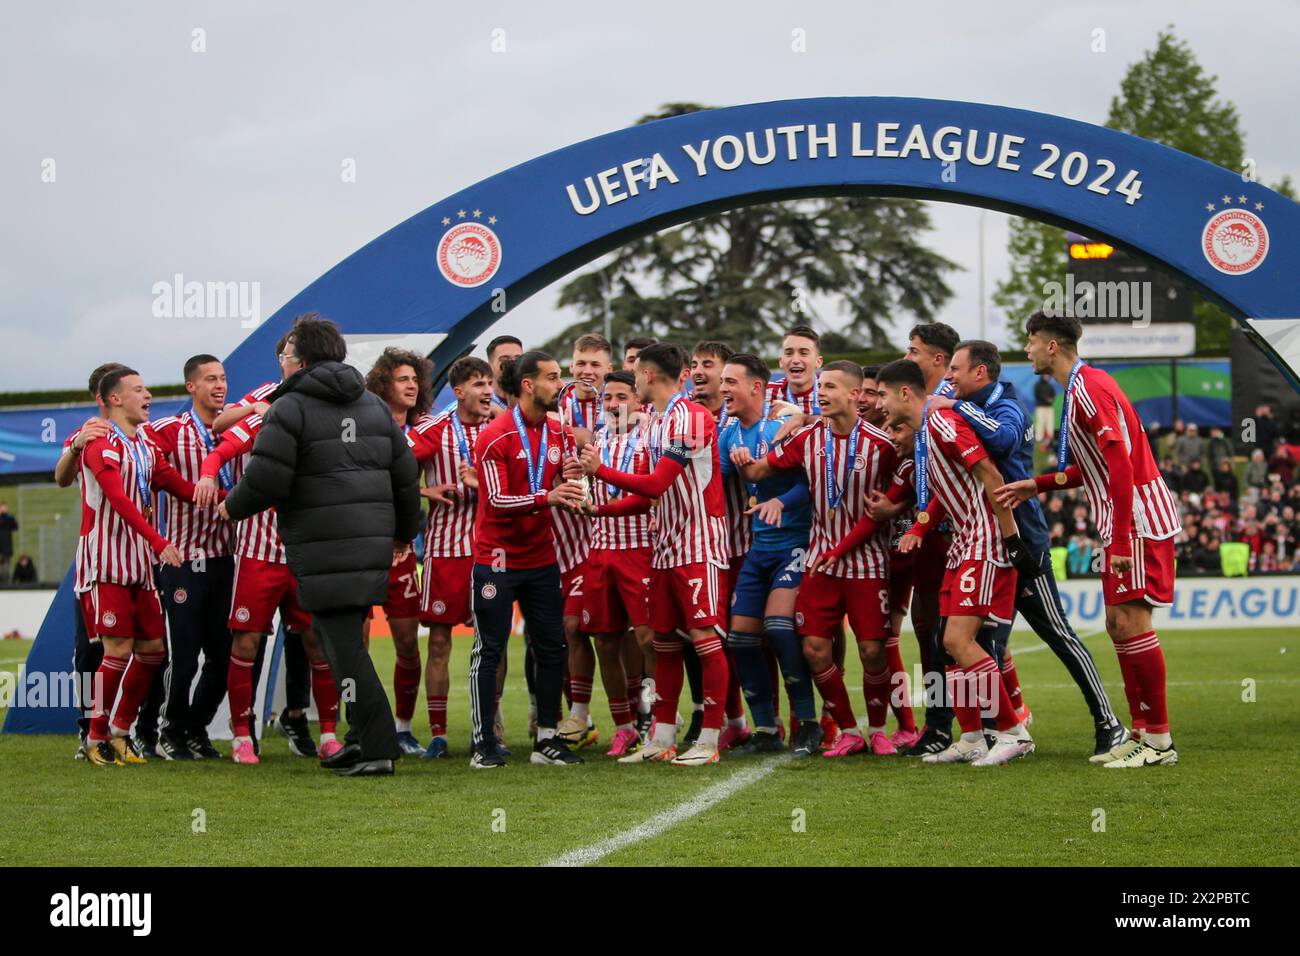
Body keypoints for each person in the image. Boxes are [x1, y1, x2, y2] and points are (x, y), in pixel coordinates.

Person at [221, 314, 422, 777]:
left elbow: (267, 478)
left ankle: (376, 749)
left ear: (303, 360)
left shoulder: (289, 409)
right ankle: (358, 738)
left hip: (324, 549)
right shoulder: (372, 405)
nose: (284, 363)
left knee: (342, 651)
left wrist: (231, 506)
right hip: (369, 546)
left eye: (287, 355)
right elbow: (406, 474)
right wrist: (402, 534)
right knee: (344, 646)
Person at [997, 312, 1180, 768]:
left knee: (1134, 624)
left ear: (1052, 346)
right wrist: (1036, 484)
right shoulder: (1083, 385)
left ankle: (1158, 741)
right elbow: (1092, 465)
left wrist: (1119, 539)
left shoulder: (1088, 387)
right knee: (1119, 625)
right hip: (1124, 520)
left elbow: (1120, 462)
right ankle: (1140, 732)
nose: (1028, 350)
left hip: (1134, 519)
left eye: (1032, 342)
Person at [930, 340, 1125, 758]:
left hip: (1023, 542)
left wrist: (953, 408)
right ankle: (996, 733)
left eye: (956, 370)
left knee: (1057, 634)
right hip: (985, 543)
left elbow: (1002, 440)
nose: (949, 378)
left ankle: (1108, 723)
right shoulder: (957, 405)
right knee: (978, 644)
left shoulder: (1008, 403)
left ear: (979, 373)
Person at [878, 359, 1036, 766]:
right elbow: (941, 492)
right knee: (945, 643)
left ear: (905, 394)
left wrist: (1011, 538)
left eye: (882, 394)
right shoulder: (925, 433)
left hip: (982, 539)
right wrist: (921, 527)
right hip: (963, 541)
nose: (878, 404)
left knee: (957, 641)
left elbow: (989, 474)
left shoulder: (942, 424)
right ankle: (970, 736)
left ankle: (1012, 730)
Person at [580, 342, 731, 766]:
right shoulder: (654, 424)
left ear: (647, 375)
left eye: (636, 374)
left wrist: (601, 472)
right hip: (664, 545)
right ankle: (661, 739)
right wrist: (601, 508)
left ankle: (709, 740)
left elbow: (656, 484)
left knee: (703, 637)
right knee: (663, 642)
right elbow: (647, 496)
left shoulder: (693, 418)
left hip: (698, 543)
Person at [740, 361, 899, 758]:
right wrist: (746, 464)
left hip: (867, 562)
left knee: (872, 651)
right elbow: (765, 468)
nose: (822, 393)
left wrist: (896, 512)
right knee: (814, 647)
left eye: (830, 386)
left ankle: (878, 729)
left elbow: (903, 491)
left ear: (853, 394)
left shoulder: (881, 445)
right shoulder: (808, 437)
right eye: (821, 387)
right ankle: (847, 729)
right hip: (820, 560)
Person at [469, 350, 588, 768]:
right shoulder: (495, 436)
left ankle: (548, 739)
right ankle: (484, 744)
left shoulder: (556, 433)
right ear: (527, 385)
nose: (560, 385)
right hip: (496, 560)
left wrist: (570, 480)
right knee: (491, 648)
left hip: (540, 557)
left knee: (552, 646)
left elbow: (554, 478)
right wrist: (548, 495)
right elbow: (498, 500)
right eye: (553, 378)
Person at [76, 367, 198, 766]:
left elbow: (176, 484)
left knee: (151, 652)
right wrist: (160, 541)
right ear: (114, 399)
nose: (147, 395)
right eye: (138, 390)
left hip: (140, 566)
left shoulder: (144, 443)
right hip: (106, 563)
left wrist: (232, 500)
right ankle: (95, 737)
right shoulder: (98, 440)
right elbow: (117, 500)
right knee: (117, 650)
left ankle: (121, 731)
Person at [718, 353, 819, 755]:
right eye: (722, 381)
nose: (724, 388)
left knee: (779, 628)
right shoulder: (728, 435)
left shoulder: (783, 425)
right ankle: (765, 729)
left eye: (731, 381)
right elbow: (714, 484)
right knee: (740, 639)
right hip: (759, 548)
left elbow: (816, 479)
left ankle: (808, 723)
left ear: (756, 387)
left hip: (794, 544)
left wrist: (784, 503)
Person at [140, 354, 237, 761]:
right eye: (210, 379)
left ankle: (194, 728)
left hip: (224, 560)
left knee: (223, 655)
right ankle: (159, 730)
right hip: (182, 562)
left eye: (223, 378)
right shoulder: (169, 431)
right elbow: (131, 449)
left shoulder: (239, 430)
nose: (219, 385)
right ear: (190, 387)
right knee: (181, 657)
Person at [407, 355, 494, 759]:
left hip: (492, 552)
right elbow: (394, 466)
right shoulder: (433, 429)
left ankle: (490, 731)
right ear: (458, 392)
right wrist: (425, 492)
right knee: (439, 643)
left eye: (490, 383)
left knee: (491, 642)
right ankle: (439, 734)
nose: (488, 391)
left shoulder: (503, 428)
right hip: (445, 551)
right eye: (478, 384)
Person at [578, 370, 656, 756]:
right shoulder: (598, 438)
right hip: (599, 550)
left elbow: (646, 496)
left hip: (639, 549)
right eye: (607, 398)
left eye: (621, 397)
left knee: (647, 639)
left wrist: (601, 506)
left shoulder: (650, 436)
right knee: (605, 641)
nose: (612, 405)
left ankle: (659, 721)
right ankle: (623, 725)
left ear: (638, 401)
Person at [365, 347, 436, 756]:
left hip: (403, 554)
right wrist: (424, 489)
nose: (411, 385)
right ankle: (359, 728)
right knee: (357, 647)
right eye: (402, 379)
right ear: (382, 385)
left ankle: (403, 728)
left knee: (408, 644)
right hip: (363, 551)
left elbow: (402, 469)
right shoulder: (365, 427)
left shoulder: (425, 430)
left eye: (415, 379)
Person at [553, 334, 609, 748]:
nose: (586, 370)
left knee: (620, 633)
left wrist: (587, 438)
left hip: (606, 535)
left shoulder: (623, 404)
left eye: (595, 364)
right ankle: (575, 716)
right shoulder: (554, 404)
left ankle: (641, 714)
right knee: (564, 630)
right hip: (558, 536)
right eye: (580, 362)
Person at [765, 325, 823, 416]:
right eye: (789, 353)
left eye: (803, 353)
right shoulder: (765, 394)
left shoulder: (832, 393)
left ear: (818, 362)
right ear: (781, 361)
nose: (795, 360)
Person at [486, 335, 523, 413]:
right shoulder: (482, 405)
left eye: (518, 358)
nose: (512, 364)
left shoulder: (535, 399)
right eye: (504, 360)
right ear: (490, 366)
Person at [1033, 372, 1056, 448]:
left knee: (1050, 423)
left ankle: (1049, 439)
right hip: (1040, 407)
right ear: (1042, 376)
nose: (1046, 376)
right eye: (1045, 375)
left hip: (1049, 407)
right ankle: (1039, 439)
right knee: (1040, 423)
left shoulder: (1050, 386)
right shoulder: (1038, 385)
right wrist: (1046, 399)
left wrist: (1050, 400)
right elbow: (1037, 395)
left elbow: (1053, 395)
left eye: (1048, 375)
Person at [0, 501, 17, 581]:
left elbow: (15, 527)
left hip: (6, 547)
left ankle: (5, 581)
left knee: (5, 568)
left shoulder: (9, 518)